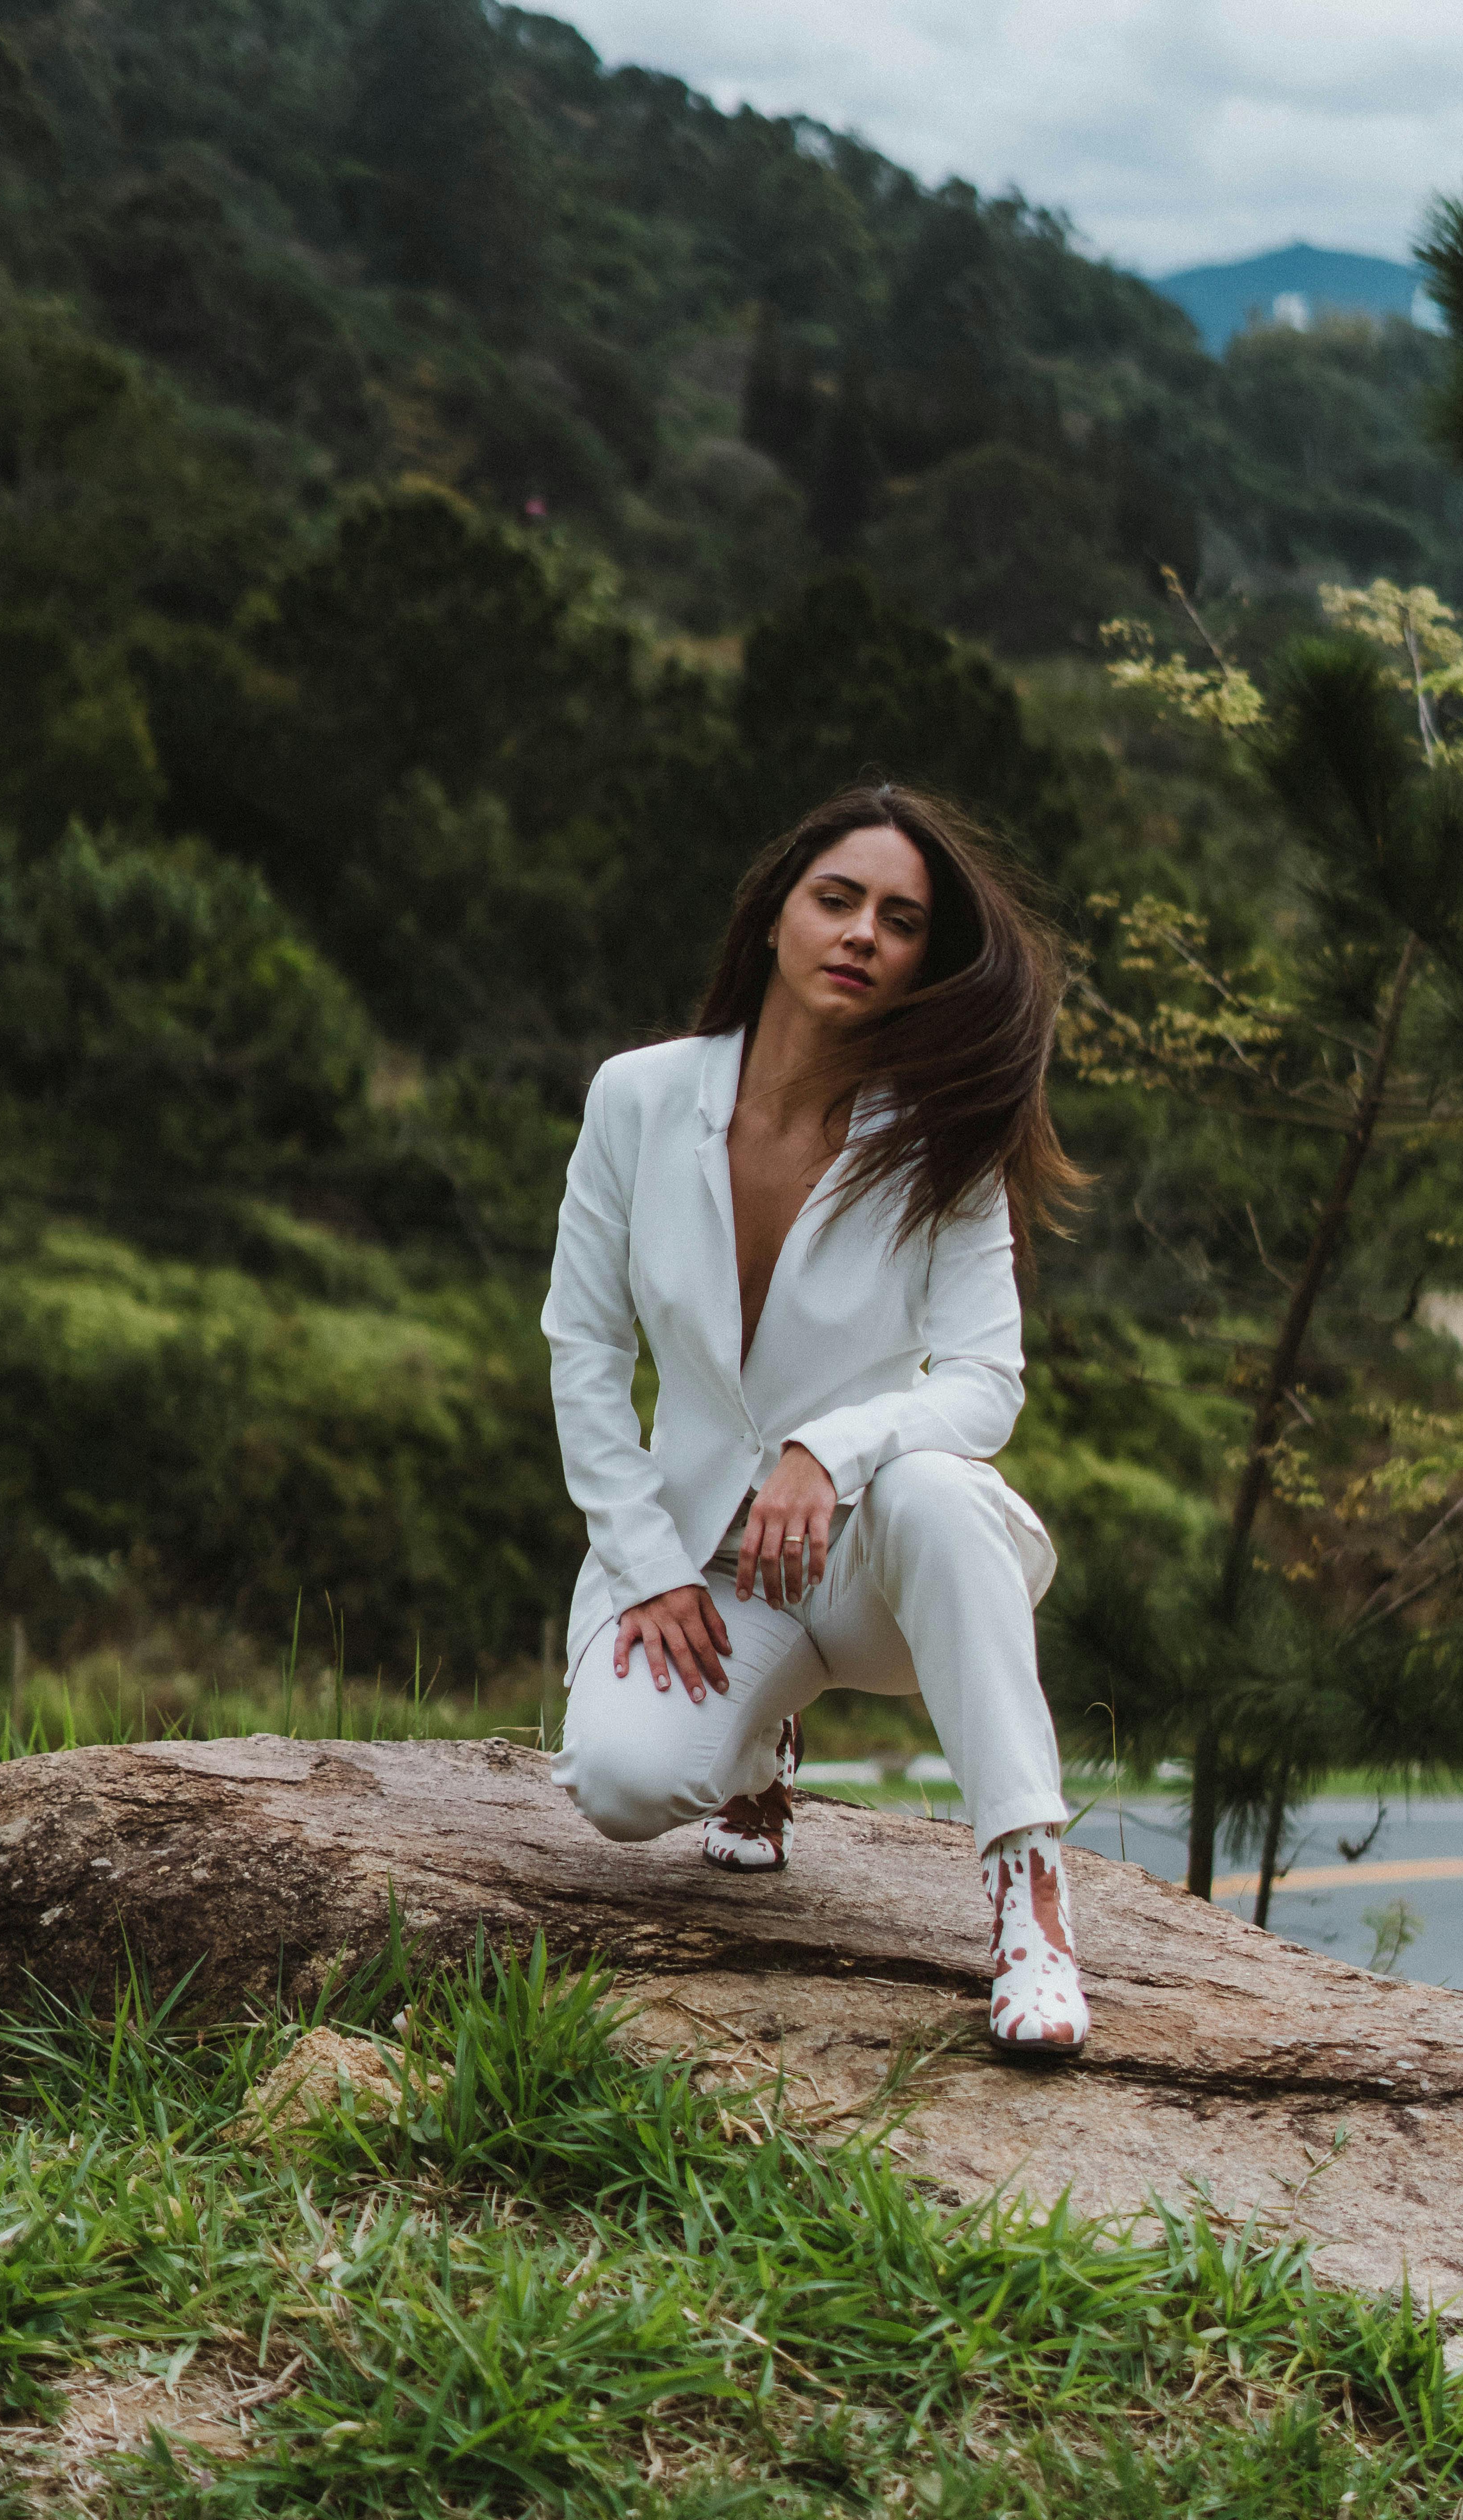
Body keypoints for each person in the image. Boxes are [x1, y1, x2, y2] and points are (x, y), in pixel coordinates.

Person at [542, 782, 1090, 2051]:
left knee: (937, 1484)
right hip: (715, 1566)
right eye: (835, 900)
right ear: (776, 916)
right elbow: (584, 1347)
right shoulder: (636, 1099)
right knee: (623, 1787)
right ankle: (755, 1757)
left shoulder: (945, 1138)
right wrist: (645, 1567)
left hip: (884, 1568)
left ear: (922, 964)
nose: (861, 935)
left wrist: (828, 1451)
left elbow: (985, 1384)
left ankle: (1029, 1896)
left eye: (899, 922)